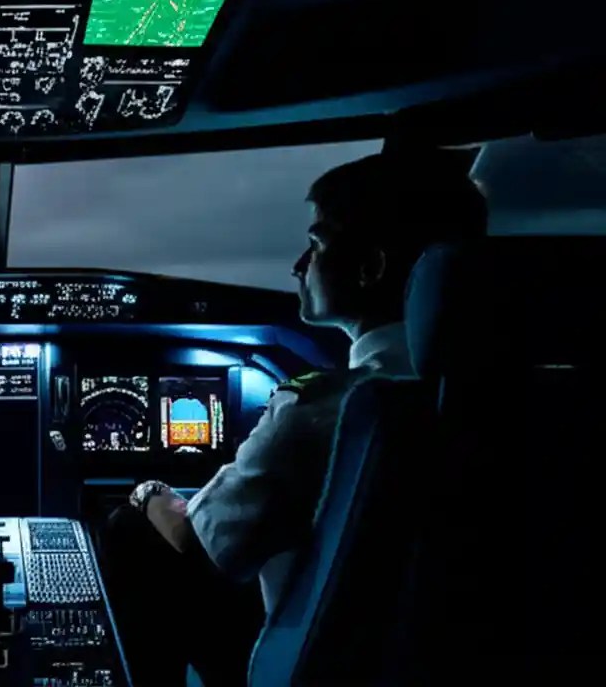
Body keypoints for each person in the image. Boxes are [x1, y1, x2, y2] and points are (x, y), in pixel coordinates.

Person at [100, 147, 488, 686]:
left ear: (370, 266)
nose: (299, 266)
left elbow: (202, 541)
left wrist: (151, 495)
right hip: (434, 651)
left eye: (316, 244)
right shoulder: (511, 392)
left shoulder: (330, 405)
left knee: (131, 529)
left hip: (319, 654)